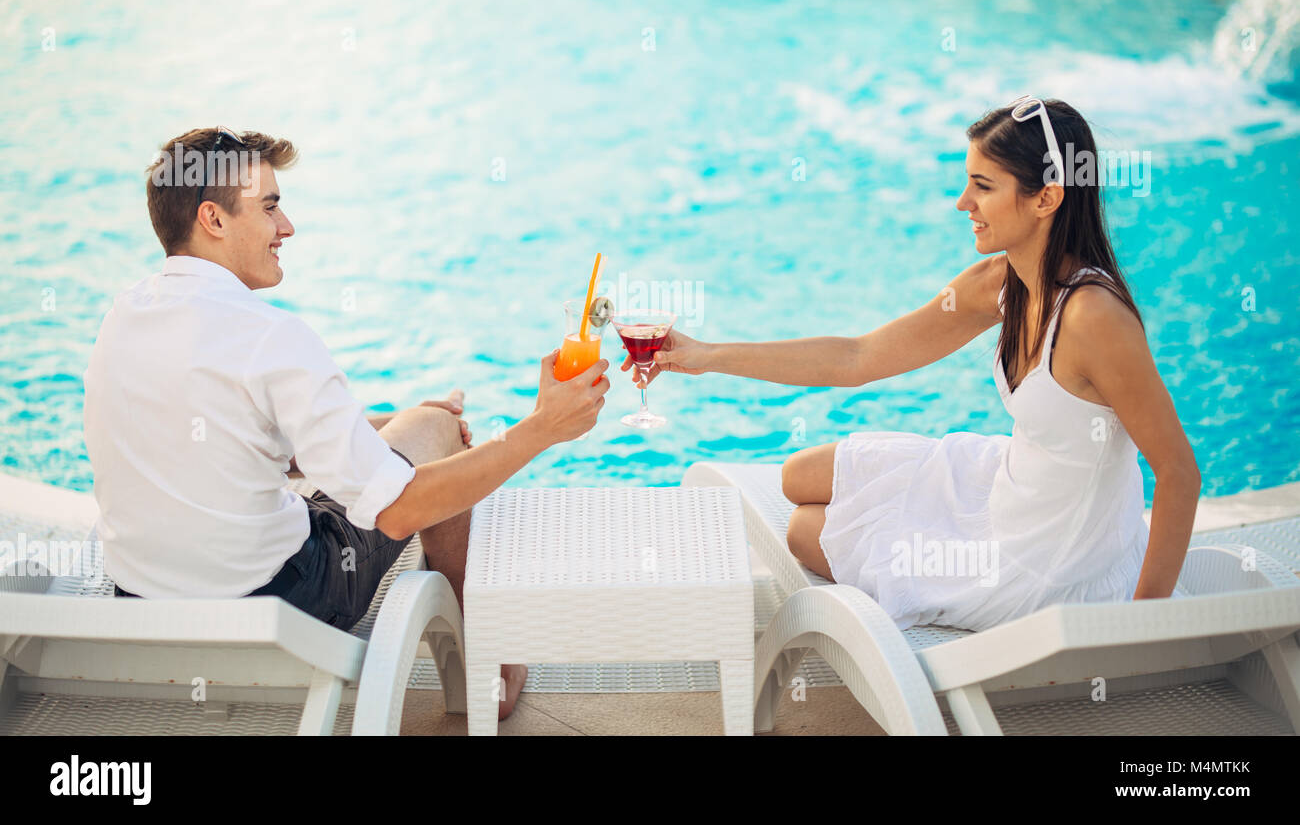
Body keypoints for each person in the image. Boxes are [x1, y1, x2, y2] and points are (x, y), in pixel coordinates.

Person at [84, 126, 610, 720]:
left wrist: (381, 425)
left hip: (142, 594)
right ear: (214, 219)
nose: (287, 228)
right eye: (271, 207)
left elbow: (217, 433)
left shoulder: (123, 317)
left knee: (407, 428)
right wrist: (541, 427)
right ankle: (487, 670)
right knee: (434, 433)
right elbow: (400, 510)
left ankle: (405, 426)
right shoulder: (271, 337)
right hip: (282, 599)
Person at [621, 97, 1201, 632]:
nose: (962, 203)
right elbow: (860, 356)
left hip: (1049, 559)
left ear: (1046, 198)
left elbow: (1178, 471)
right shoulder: (1003, 283)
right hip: (1007, 484)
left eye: (982, 186)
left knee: (804, 533)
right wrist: (705, 356)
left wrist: (1141, 627)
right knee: (798, 474)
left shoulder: (1093, 317)